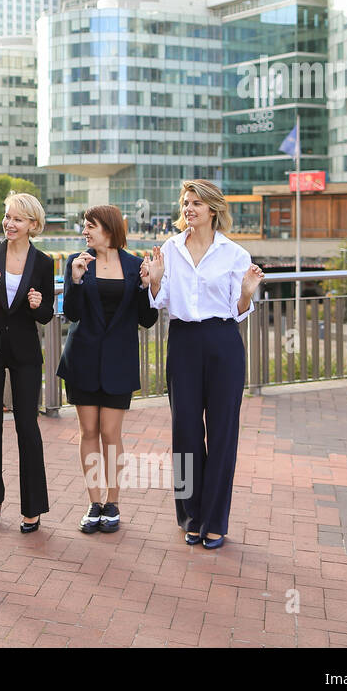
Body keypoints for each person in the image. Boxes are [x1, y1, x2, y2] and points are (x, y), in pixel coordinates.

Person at [142, 179, 264, 550]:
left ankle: (214, 520)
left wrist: (245, 294)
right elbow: (158, 302)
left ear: (213, 209)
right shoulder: (170, 248)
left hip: (223, 342)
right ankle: (189, 517)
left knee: (223, 434)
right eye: (185, 202)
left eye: (195, 203)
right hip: (182, 342)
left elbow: (239, 311)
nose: (188, 208)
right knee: (185, 434)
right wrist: (154, 282)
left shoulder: (234, 254)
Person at [57, 204, 158, 536]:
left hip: (119, 361)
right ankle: (94, 503)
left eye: (91, 225)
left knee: (111, 434)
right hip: (82, 358)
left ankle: (113, 503)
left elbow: (146, 319)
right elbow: (70, 313)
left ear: (110, 229)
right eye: (84, 226)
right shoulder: (78, 261)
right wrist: (73, 280)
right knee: (88, 433)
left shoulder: (134, 265)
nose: (85, 231)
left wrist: (147, 287)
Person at [0, 192, 55, 533]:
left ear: (33, 224)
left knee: (27, 427)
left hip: (25, 350)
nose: (9, 223)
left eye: (18, 219)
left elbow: (47, 314)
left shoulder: (44, 263)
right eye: (7, 217)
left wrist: (38, 304)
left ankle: (32, 508)